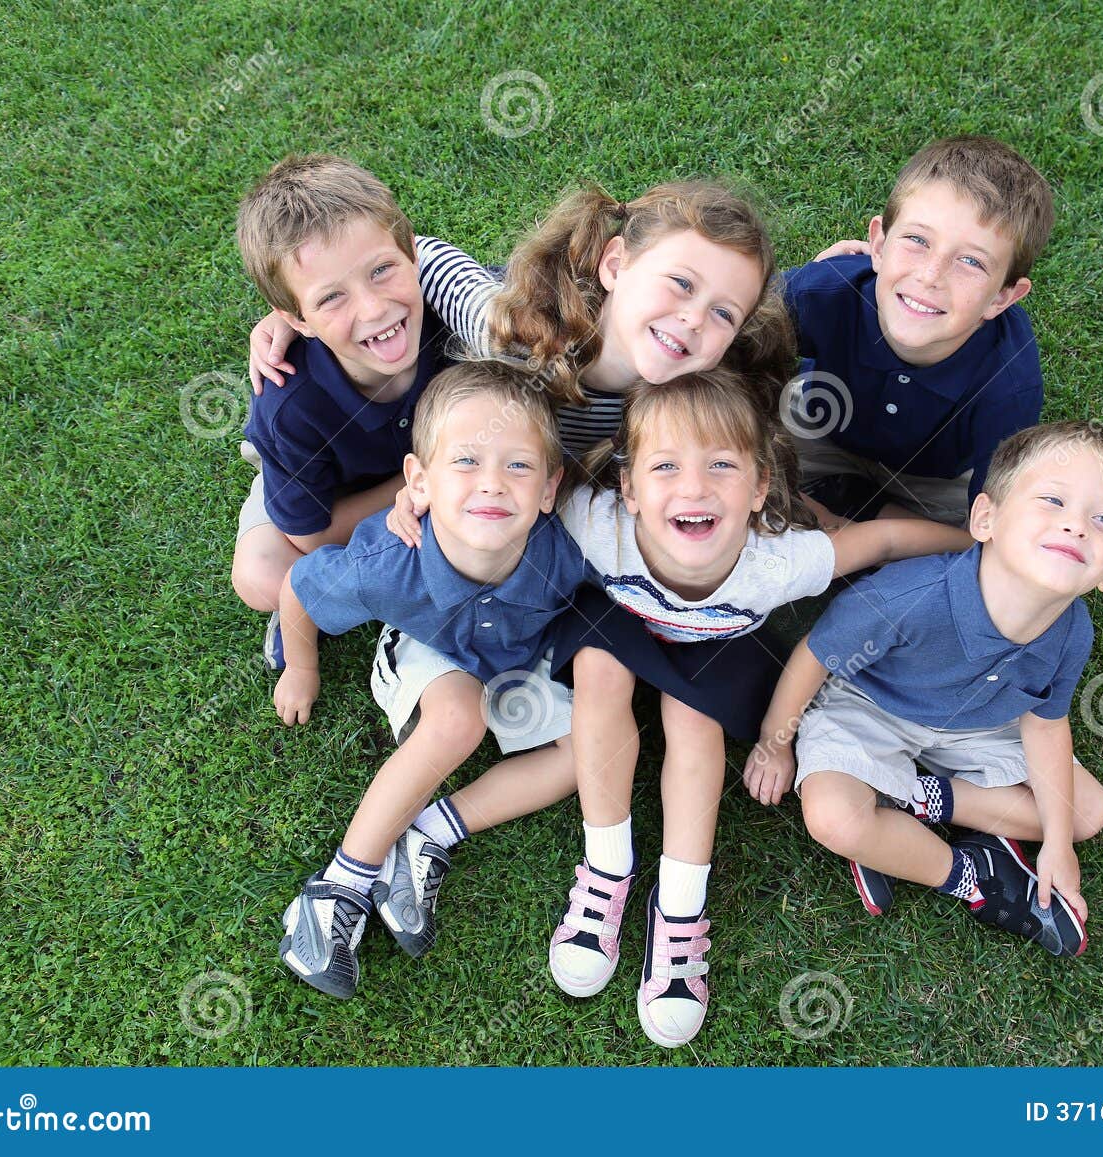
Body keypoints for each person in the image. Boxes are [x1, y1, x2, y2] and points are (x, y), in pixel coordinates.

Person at [544, 369, 970, 1046]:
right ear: (627, 489)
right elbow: (523, 487)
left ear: (759, 487)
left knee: (695, 727)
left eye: (721, 465)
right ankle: (606, 869)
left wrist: (982, 545)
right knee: (598, 670)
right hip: (623, 627)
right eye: (664, 466)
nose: (693, 487)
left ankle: (679, 910)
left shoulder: (781, 562)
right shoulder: (597, 523)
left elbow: (882, 542)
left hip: (715, 650)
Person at [744, 421, 1103, 958]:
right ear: (986, 519)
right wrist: (775, 740)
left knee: (1087, 814)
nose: (1076, 527)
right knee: (834, 817)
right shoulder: (911, 596)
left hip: (978, 723)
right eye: (1052, 501)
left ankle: (918, 801)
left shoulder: (1073, 630)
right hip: (870, 706)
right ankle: (969, 872)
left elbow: (1046, 723)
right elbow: (816, 653)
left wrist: (1055, 841)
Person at [272, 362, 587, 998]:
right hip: (428, 648)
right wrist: (301, 666)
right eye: (465, 462)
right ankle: (339, 886)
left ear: (551, 488)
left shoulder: (564, 550)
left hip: (516, 660)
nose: (492, 484)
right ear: (418, 481)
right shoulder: (392, 561)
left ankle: (431, 835)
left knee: (590, 751)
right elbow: (300, 587)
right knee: (457, 717)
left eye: (519, 466)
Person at [251, 180, 796, 461]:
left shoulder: (694, 403)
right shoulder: (511, 330)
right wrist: (302, 313)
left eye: (724, 312)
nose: (694, 319)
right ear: (614, 265)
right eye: (680, 284)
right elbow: (420, 254)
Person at [229, 154, 452, 670]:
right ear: (297, 320)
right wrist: (431, 483)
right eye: (331, 298)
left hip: (429, 470)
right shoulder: (290, 404)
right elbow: (311, 534)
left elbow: (529, 298)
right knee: (262, 575)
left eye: (382, 270)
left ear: (414, 255)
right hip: (335, 496)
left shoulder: (450, 310)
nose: (374, 309)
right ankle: (299, 590)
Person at [784, 135, 1054, 534]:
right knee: (732, 452)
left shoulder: (1009, 384)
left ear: (1002, 297)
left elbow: (992, 516)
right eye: (917, 240)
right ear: (878, 244)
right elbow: (730, 329)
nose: (930, 276)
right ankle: (853, 508)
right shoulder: (823, 292)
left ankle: (869, 517)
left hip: (934, 477)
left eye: (970, 262)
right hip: (820, 425)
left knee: (974, 534)